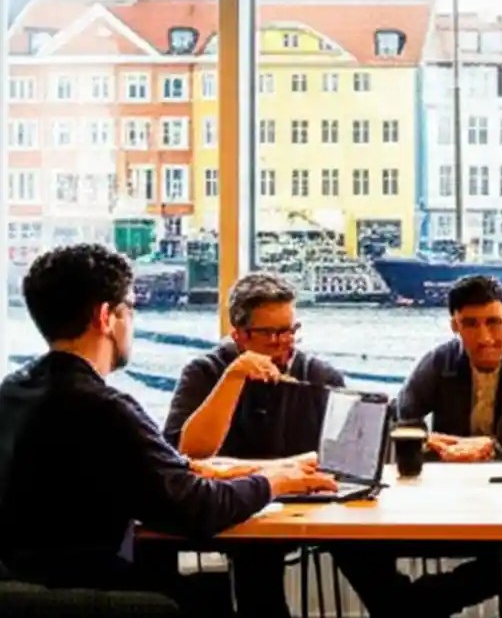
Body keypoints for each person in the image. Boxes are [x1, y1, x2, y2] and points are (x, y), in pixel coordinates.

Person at [0, 244, 334, 615]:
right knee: (212, 598)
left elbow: (159, 468)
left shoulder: (12, 392)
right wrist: (276, 483)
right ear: (106, 317)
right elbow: (198, 508)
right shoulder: (106, 409)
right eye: (131, 308)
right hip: (89, 590)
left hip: (23, 590)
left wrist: (255, 470)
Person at [162, 272, 381, 617]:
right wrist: (233, 379)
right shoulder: (205, 372)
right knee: (256, 564)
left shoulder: (317, 375)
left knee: (373, 564)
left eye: (290, 330)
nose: (284, 342)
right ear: (239, 334)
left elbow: (353, 451)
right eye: (272, 333)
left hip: (310, 503)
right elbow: (186, 454)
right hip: (237, 506)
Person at [386, 275, 502, 616]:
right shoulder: (437, 361)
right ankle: (407, 605)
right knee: (355, 546)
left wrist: (488, 449)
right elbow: (399, 422)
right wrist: (431, 442)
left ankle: (410, 605)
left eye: (494, 323)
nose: (484, 337)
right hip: (447, 499)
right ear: (454, 325)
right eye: (470, 324)